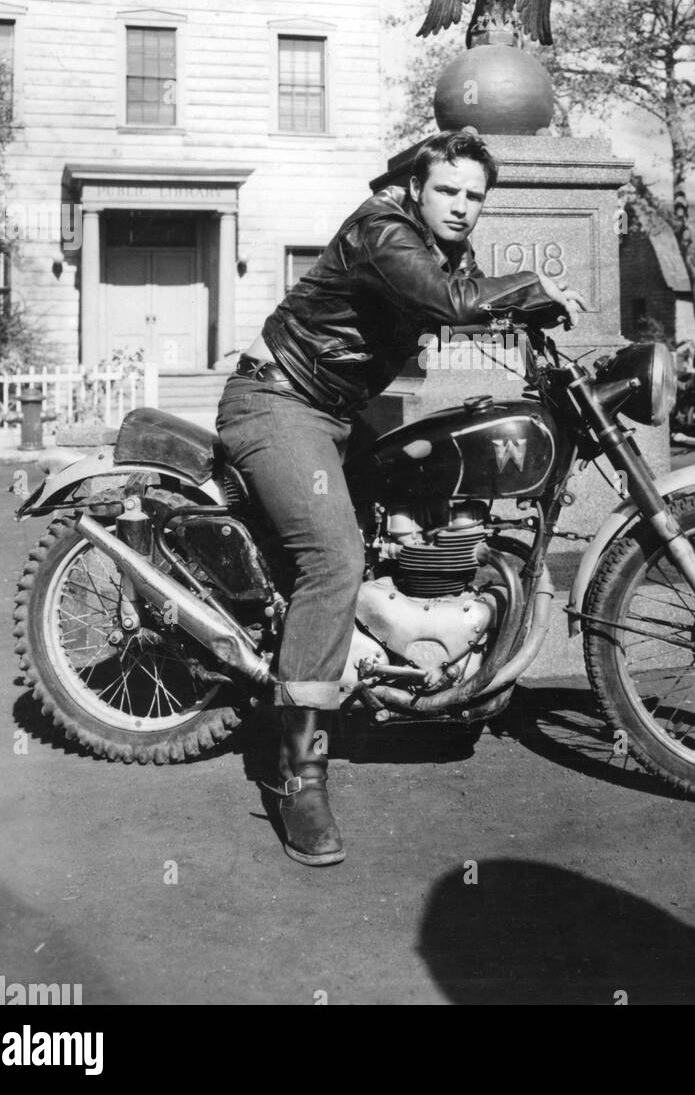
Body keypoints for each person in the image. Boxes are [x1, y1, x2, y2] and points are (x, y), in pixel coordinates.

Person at [216, 130, 585, 866]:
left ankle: (369, 663)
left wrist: (534, 325)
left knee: (405, 517)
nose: (462, 206)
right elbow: (448, 302)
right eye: (449, 190)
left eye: (475, 196)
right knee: (333, 558)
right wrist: (532, 289)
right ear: (418, 186)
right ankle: (300, 775)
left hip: (337, 410)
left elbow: (468, 300)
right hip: (277, 401)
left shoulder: (445, 249)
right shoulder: (381, 228)